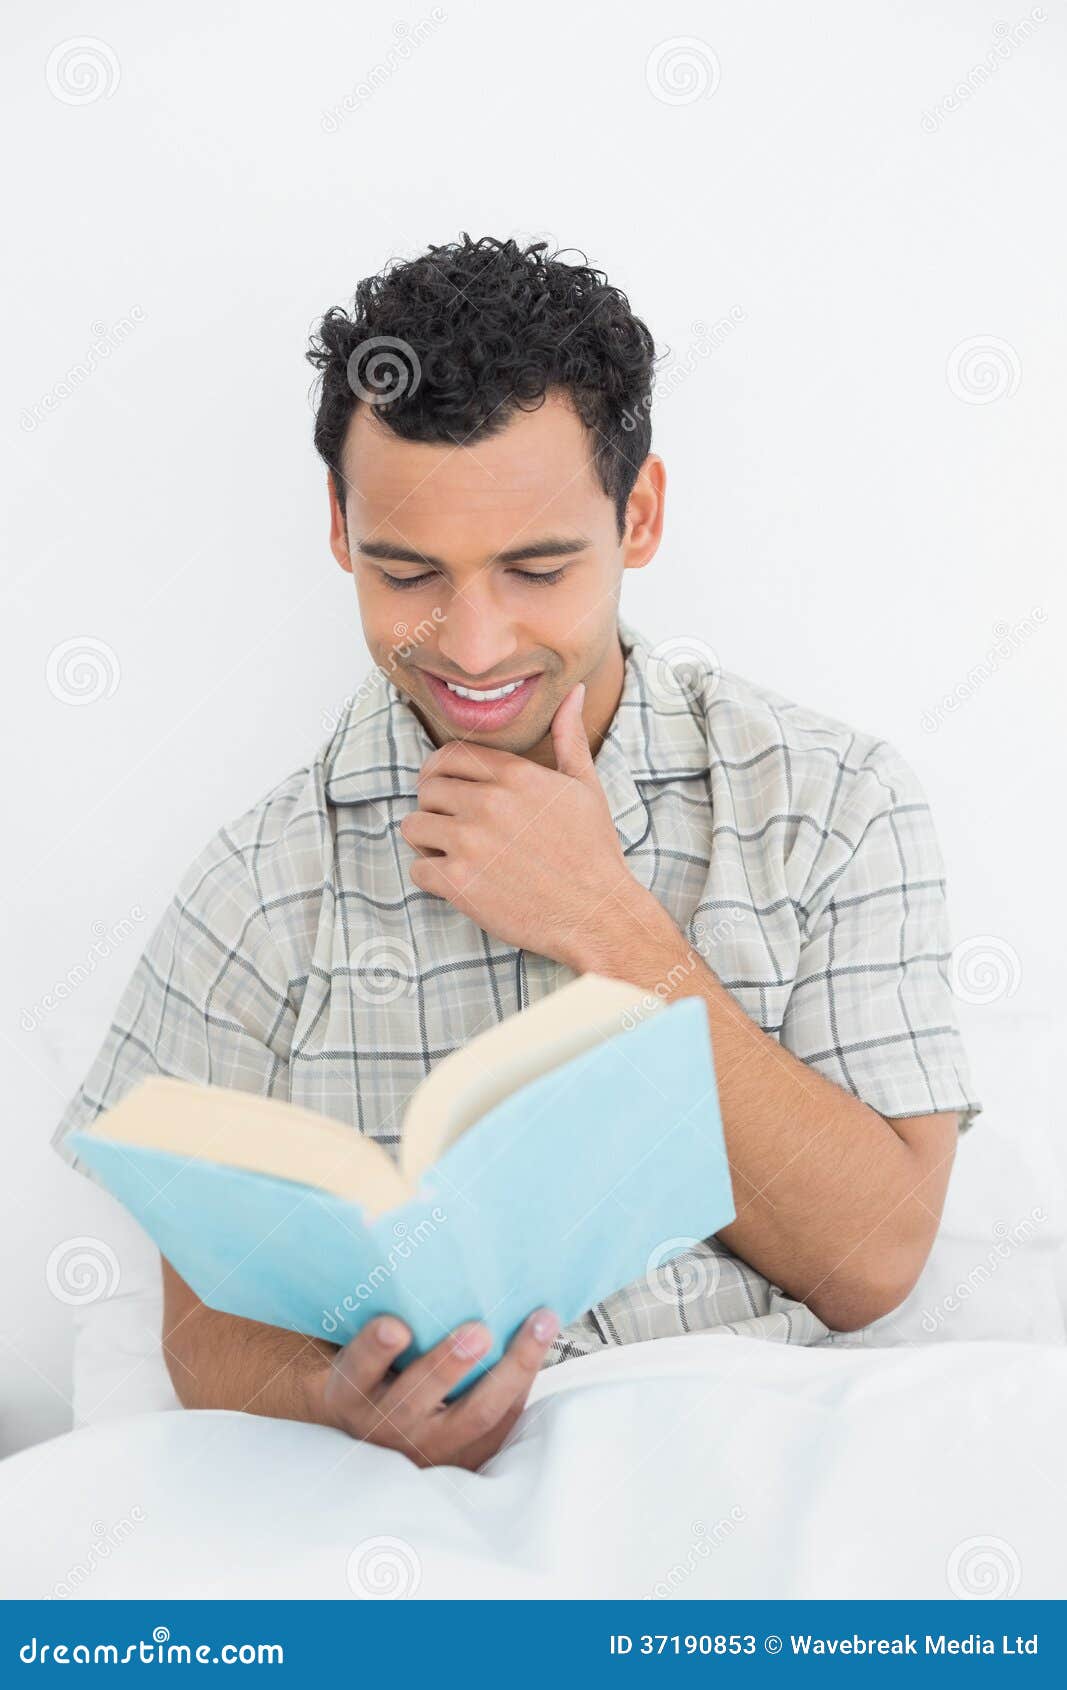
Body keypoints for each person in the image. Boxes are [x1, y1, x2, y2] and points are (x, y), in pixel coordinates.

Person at [53, 234, 981, 1470]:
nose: (473, 644)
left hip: (756, 1480)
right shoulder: (257, 885)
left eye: (537, 568)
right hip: (419, 1517)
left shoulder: (832, 802)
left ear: (636, 514)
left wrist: (609, 926)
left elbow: (873, 1263)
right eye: (407, 572)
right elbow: (202, 1328)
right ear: (340, 528)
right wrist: (339, 1402)